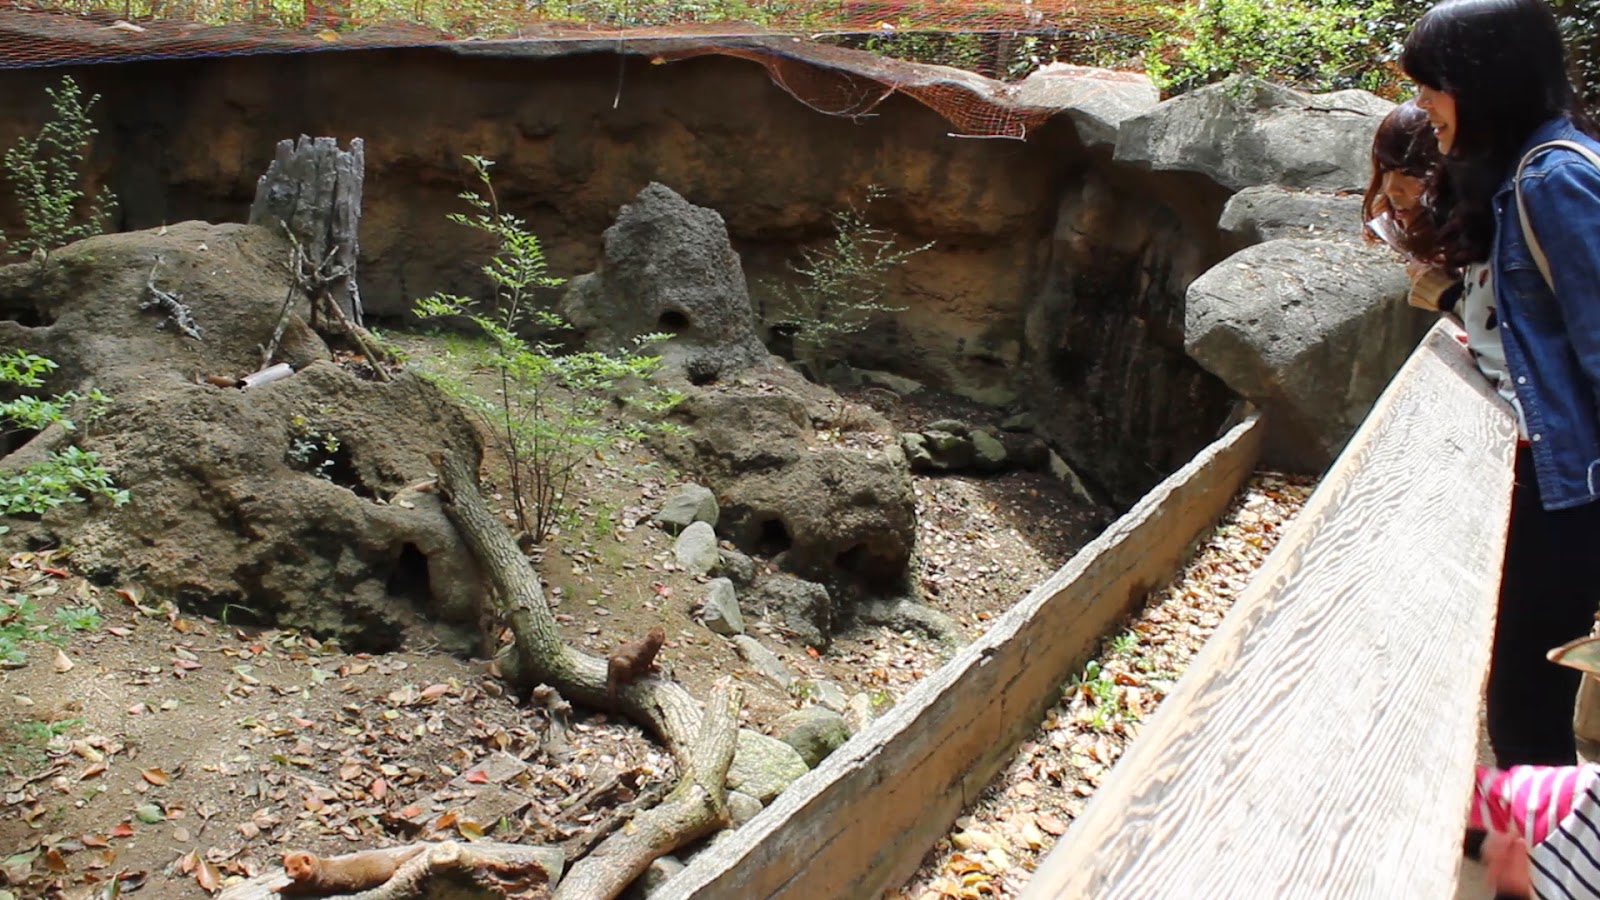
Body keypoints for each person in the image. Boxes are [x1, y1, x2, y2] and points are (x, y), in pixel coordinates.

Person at [1403, 0, 1600, 772]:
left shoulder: (1554, 178)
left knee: (1525, 705)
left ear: (1482, 83)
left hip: (1569, 493)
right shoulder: (1518, 173)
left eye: (1432, 85)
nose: (1421, 104)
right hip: (1546, 480)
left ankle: (1551, 868)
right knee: (1521, 696)